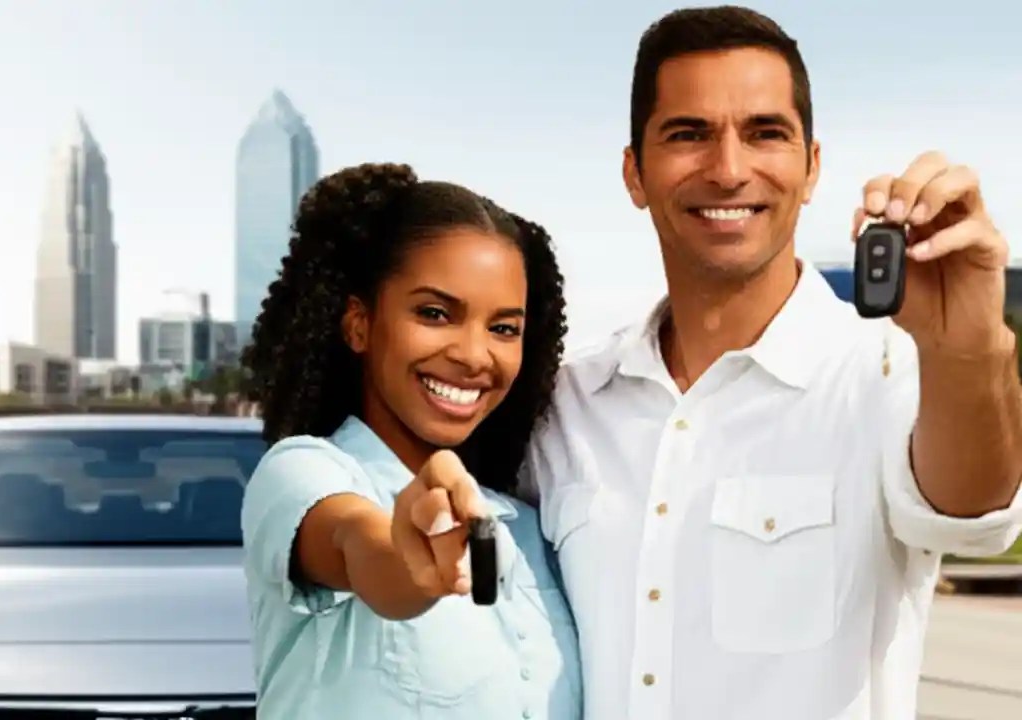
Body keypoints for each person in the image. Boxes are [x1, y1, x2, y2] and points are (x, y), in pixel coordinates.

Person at [389, 6, 1022, 720]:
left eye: (765, 133)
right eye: (688, 135)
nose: (728, 170)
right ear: (635, 173)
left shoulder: (886, 372)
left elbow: (975, 517)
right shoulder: (566, 404)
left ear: (811, 168)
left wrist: (973, 347)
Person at [238, 162, 580, 719]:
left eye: (503, 328)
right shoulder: (303, 472)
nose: (474, 355)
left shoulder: (532, 534)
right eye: (435, 313)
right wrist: (407, 554)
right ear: (359, 325)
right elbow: (363, 547)